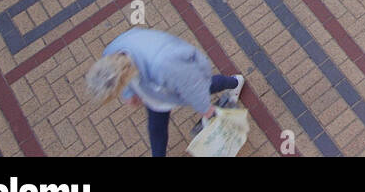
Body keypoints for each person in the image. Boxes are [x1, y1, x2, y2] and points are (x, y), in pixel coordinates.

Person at [85, 28, 245, 157]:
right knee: (156, 128)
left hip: (177, 79)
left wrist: (206, 109)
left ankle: (235, 82)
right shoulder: (111, 54)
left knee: (207, 86)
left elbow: (193, 85)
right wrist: (128, 93)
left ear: (122, 79)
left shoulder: (163, 65)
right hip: (155, 90)